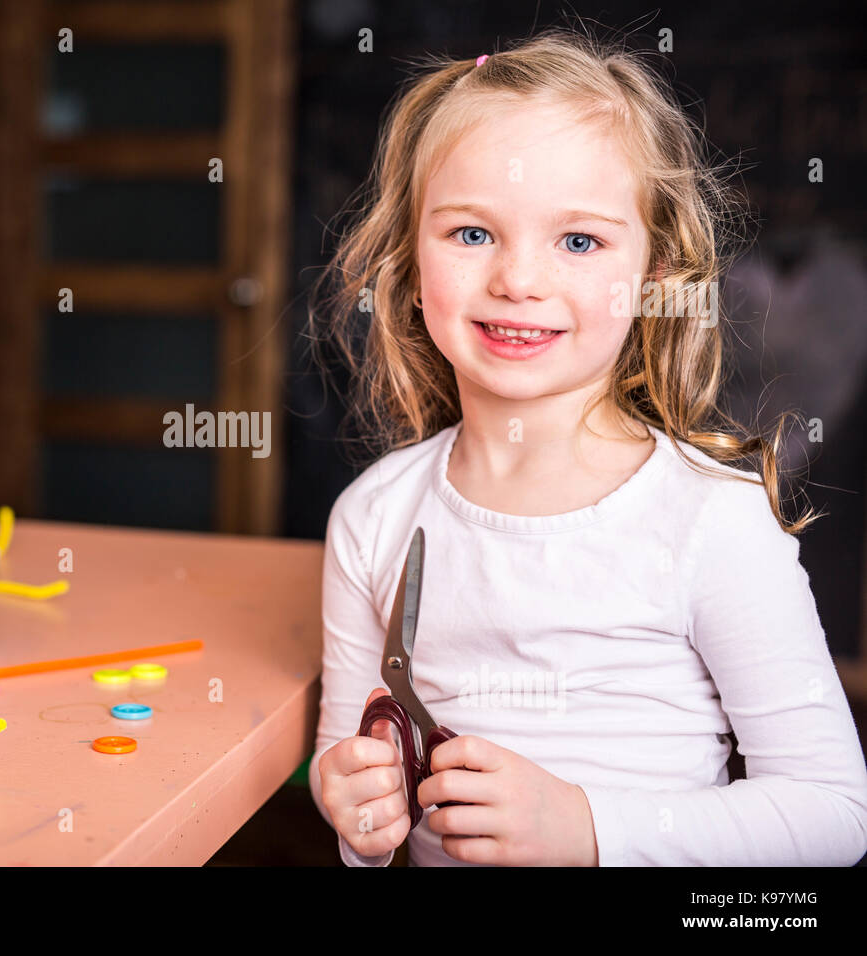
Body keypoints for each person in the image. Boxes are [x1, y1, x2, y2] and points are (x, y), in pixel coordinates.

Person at [307, 27, 867, 866]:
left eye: (579, 242)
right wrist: (351, 805)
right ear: (407, 256)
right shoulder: (372, 517)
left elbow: (833, 815)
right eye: (470, 233)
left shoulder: (710, 520)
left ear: (653, 275)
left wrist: (589, 829)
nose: (519, 281)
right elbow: (347, 761)